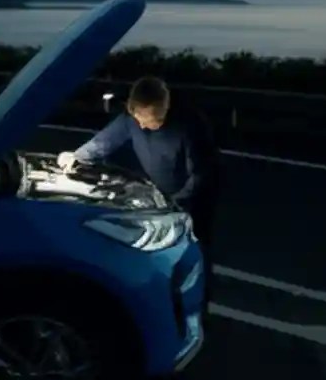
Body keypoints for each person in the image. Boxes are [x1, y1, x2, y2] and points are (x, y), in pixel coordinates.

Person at [58, 76, 220, 296]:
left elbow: (200, 176)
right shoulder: (131, 120)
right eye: (139, 119)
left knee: (195, 258)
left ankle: (200, 308)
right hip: (162, 196)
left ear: (166, 106)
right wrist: (75, 157)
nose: (144, 126)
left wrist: (175, 204)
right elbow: (102, 143)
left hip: (194, 202)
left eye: (152, 120)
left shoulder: (190, 125)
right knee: (161, 255)